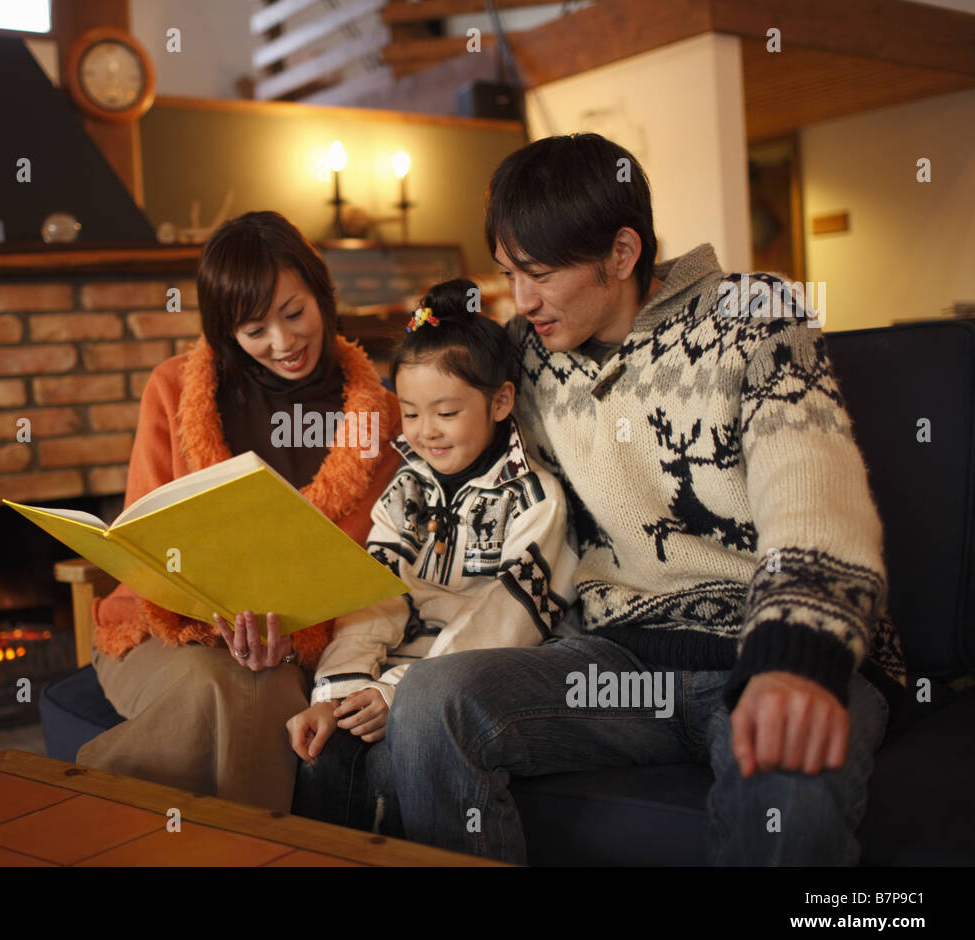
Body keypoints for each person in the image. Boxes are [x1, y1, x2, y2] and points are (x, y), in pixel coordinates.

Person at [387, 133, 908, 865]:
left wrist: (794, 656)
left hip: (758, 648)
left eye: (538, 274)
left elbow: (812, 487)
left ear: (623, 254)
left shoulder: (755, 317)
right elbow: (438, 444)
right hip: (614, 663)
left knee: (785, 779)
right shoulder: (525, 353)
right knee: (432, 702)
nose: (522, 299)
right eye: (508, 274)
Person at [77, 210, 402, 813]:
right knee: (231, 684)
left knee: (257, 684)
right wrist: (213, 626)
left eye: (294, 313)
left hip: (302, 649)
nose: (282, 343)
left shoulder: (379, 418)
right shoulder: (174, 389)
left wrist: (287, 639)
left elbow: (379, 565)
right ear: (227, 333)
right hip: (159, 633)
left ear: (322, 294)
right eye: (254, 329)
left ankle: (89, 798)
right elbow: (145, 547)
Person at [287, 278, 578, 837]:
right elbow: (372, 595)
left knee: (392, 766)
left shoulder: (536, 500)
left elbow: (504, 624)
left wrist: (398, 694)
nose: (425, 433)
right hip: (389, 677)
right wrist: (341, 694)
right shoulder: (406, 490)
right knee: (320, 755)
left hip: (468, 680)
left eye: (445, 412)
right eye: (411, 413)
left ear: (500, 401)